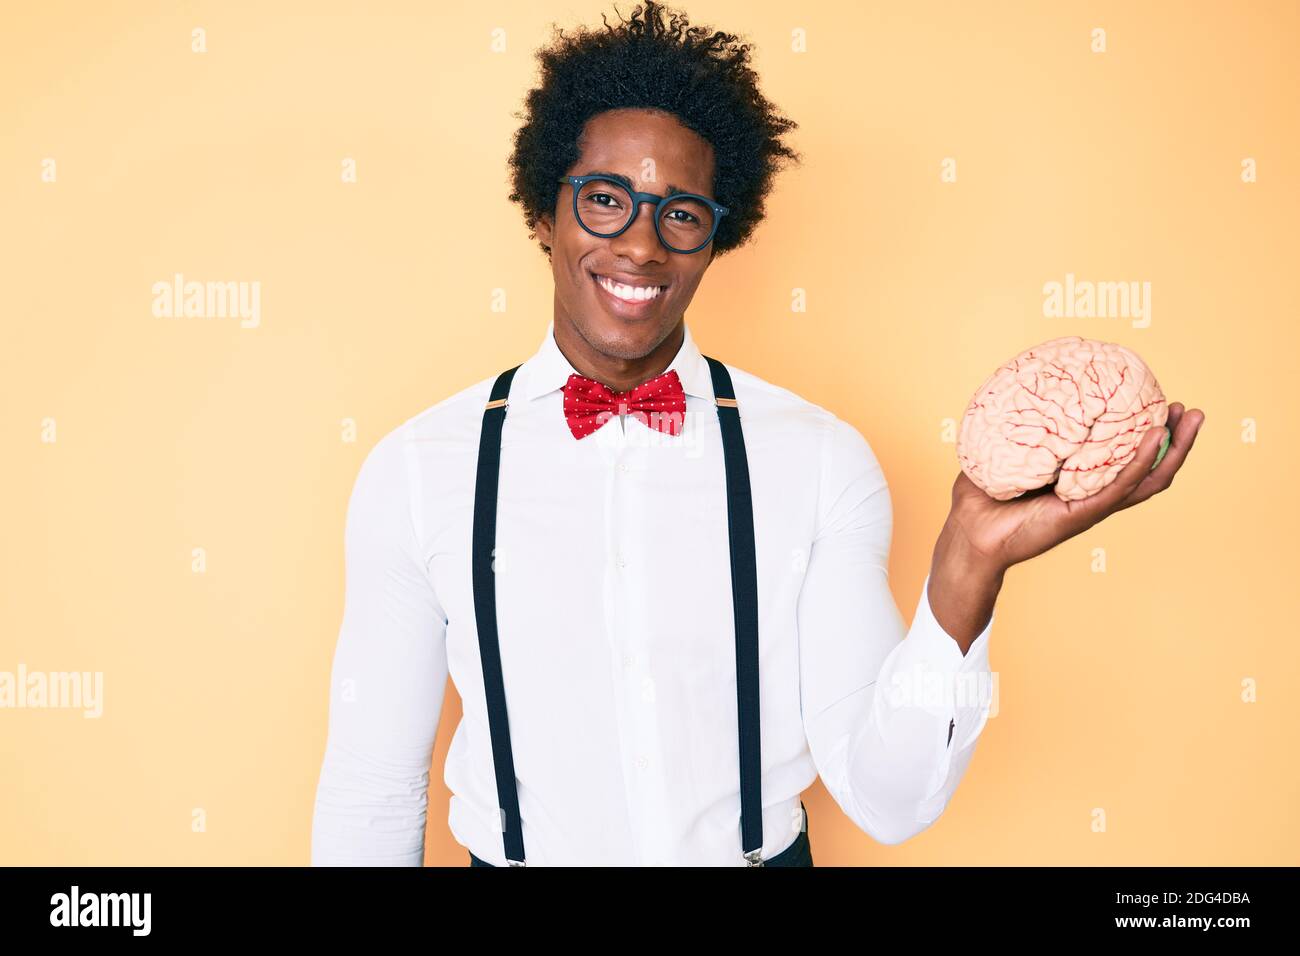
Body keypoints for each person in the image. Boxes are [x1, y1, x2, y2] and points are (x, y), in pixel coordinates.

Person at [310, 0, 1204, 867]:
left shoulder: (818, 461)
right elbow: (374, 791)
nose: (642, 246)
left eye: (682, 214)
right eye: (605, 200)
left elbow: (887, 801)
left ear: (715, 240)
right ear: (543, 215)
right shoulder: (420, 472)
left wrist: (970, 563)